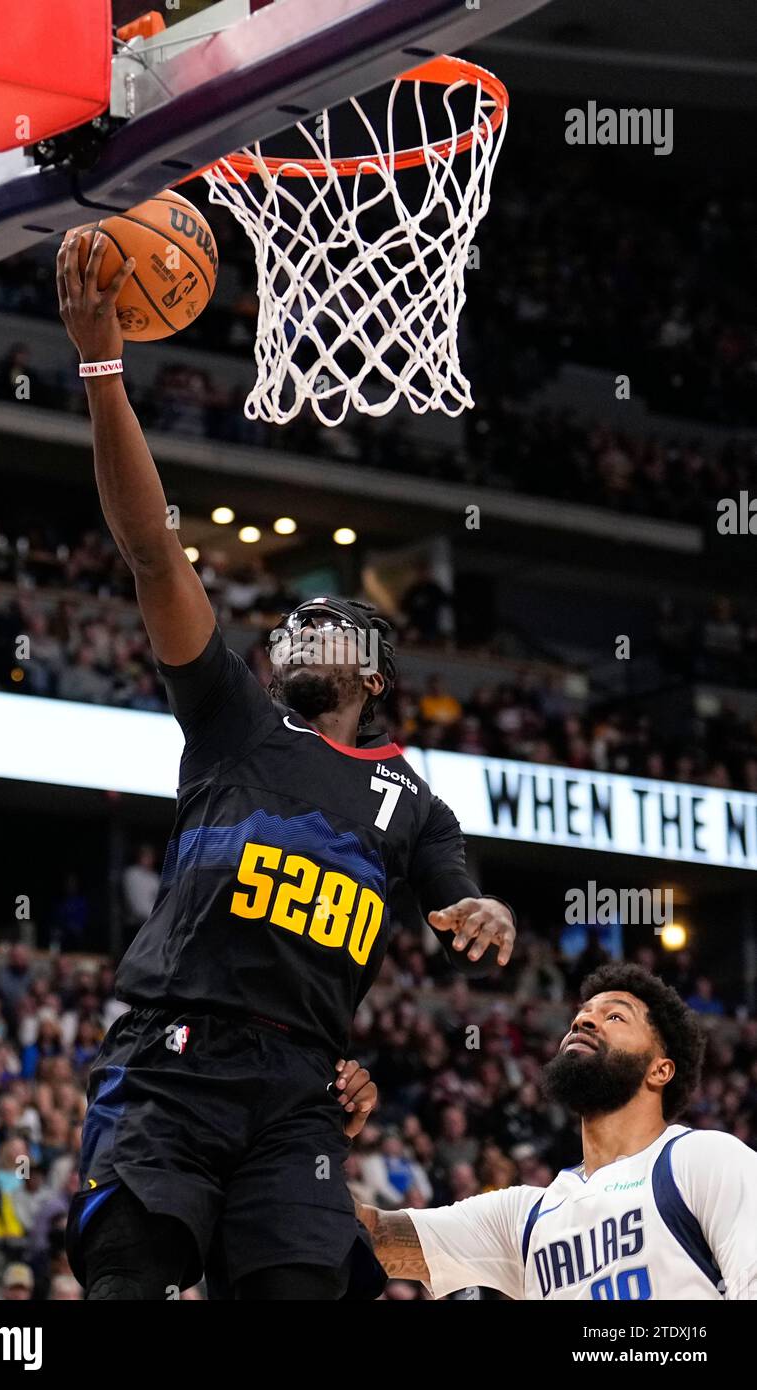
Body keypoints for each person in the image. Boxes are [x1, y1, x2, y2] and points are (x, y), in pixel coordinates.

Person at [56, 230, 516, 1302]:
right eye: (293, 624)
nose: (305, 632)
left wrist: (478, 914)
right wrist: (100, 369)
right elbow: (150, 551)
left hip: (301, 1094)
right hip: (171, 1061)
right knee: (128, 1277)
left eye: (333, 625)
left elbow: (456, 902)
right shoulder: (232, 718)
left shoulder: (413, 802)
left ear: (377, 675)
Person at [358, 964, 757, 1300]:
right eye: (581, 1015)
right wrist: (309, 1129)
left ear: (660, 1069)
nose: (583, 1020)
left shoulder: (703, 1160)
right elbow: (375, 1236)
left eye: (614, 1016)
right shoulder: (525, 1216)